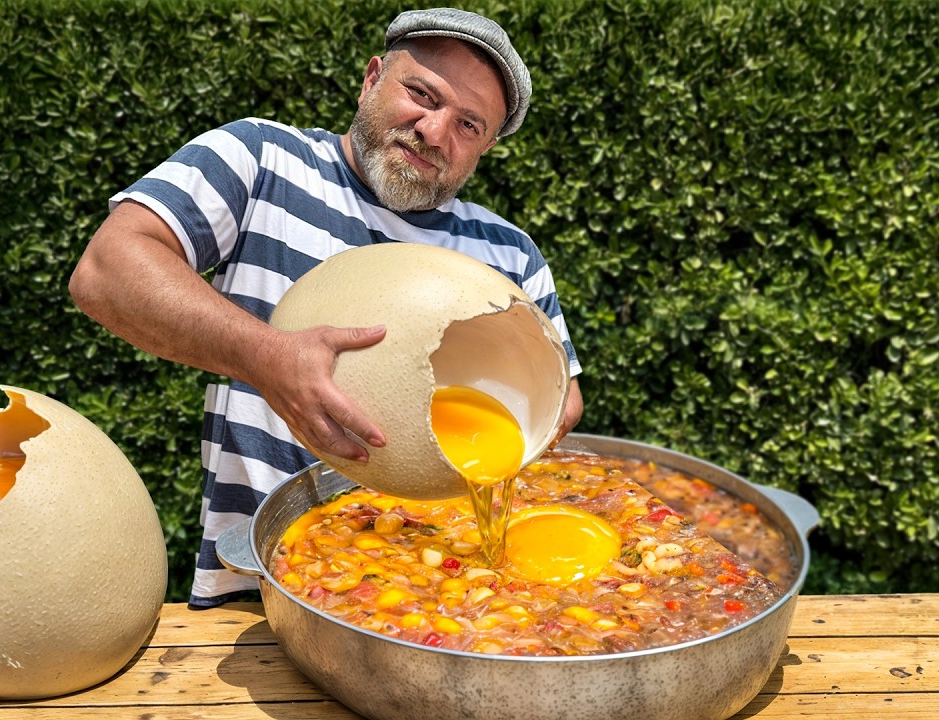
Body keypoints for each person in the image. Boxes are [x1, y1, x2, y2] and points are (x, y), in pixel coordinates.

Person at [69, 8, 584, 607]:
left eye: (469, 125)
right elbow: (107, 270)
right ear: (371, 80)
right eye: (421, 94)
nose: (435, 131)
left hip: (452, 611)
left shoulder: (511, 254)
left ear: (487, 147)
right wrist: (267, 356)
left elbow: (561, 399)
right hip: (254, 601)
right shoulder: (263, 160)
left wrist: (539, 410)